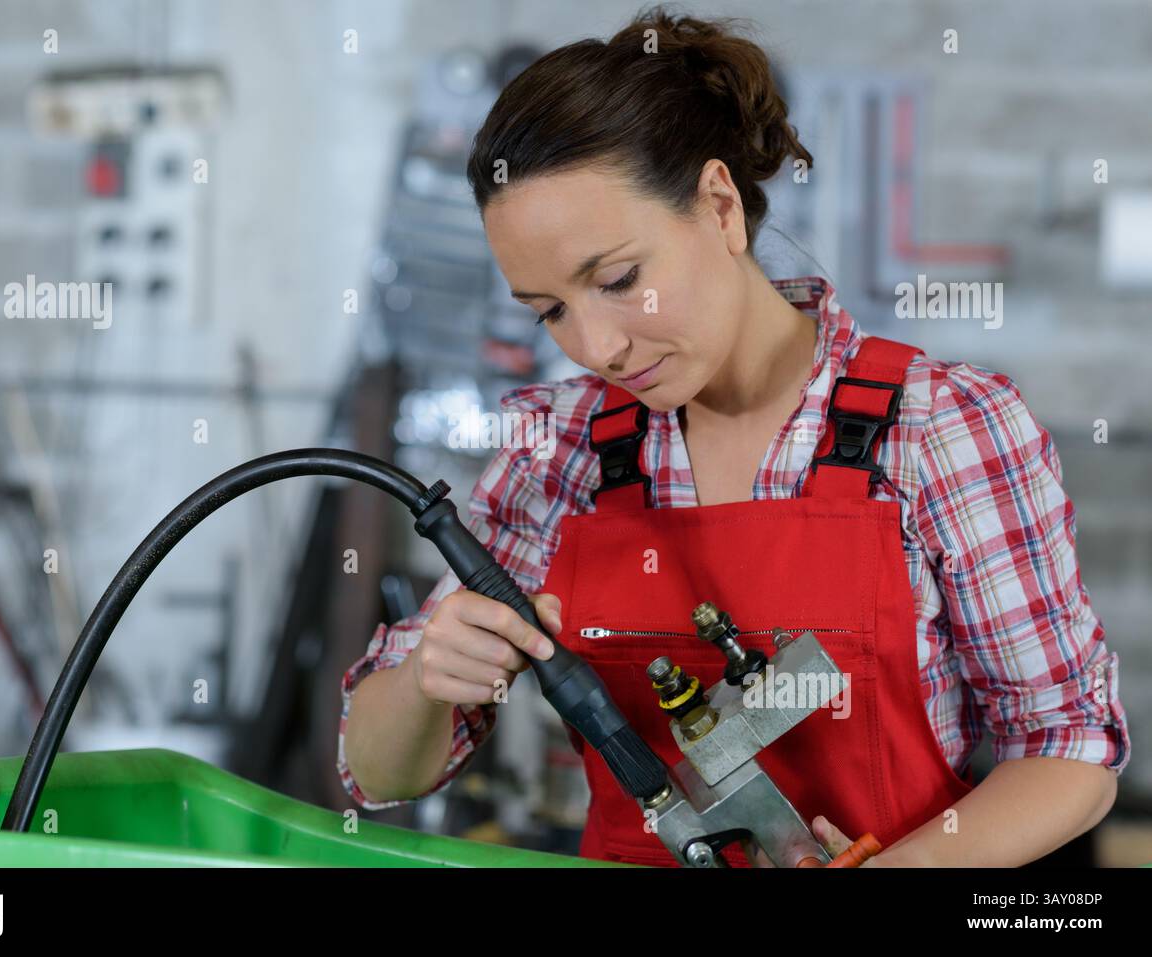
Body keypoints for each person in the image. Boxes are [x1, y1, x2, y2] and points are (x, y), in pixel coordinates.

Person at [337, 6, 1128, 867]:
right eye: (551, 310)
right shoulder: (555, 452)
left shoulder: (942, 431)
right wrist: (425, 681)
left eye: (618, 279)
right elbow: (375, 773)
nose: (597, 346)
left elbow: (1067, 746)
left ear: (719, 207)